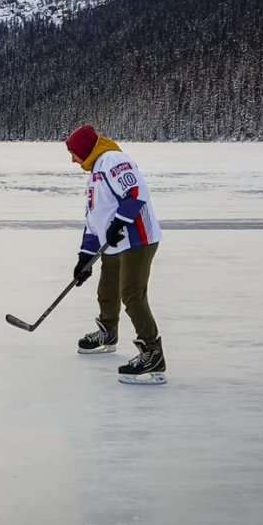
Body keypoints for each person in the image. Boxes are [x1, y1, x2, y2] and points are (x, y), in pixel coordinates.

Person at [66, 125, 167, 384]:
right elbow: (94, 221)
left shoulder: (113, 160)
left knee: (132, 294)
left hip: (137, 240)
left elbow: (136, 193)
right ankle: (108, 333)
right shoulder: (95, 173)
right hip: (115, 243)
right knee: (107, 289)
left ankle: (152, 352)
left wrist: (120, 223)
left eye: (74, 153)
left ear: (85, 150)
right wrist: (84, 258)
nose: (73, 160)